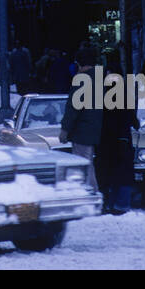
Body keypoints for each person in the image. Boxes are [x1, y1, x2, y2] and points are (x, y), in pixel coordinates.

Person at [95, 52, 137, 214]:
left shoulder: (102, 93)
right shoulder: (124, 92)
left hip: (106, 138)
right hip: (122, 138)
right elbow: (129, 115)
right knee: (123, 171)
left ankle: (109, 202)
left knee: (106, 170)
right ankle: (121, 203)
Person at [59, 46, 102, 189]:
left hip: (82, 131)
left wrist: (65, 129)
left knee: (83, 165)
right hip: (98, 129)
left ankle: (89, 194)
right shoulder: (102, 78)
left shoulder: (81, 80)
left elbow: (73, 107)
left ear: (79, 64)